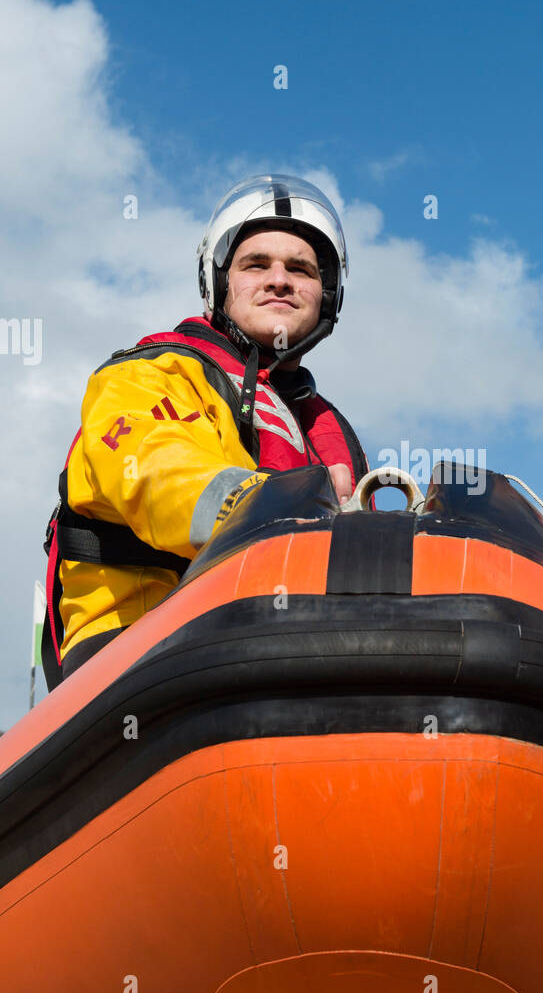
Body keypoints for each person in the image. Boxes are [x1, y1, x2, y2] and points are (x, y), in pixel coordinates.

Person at [43, 174, 369, 683]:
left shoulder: (325, 429)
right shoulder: (149, 375)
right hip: (144, 652)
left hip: (297, 645)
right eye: (256, 265)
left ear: (326, 295)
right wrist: (276, 507)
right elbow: (155, 470)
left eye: (300, 269)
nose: (279, 279)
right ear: (218, 284)